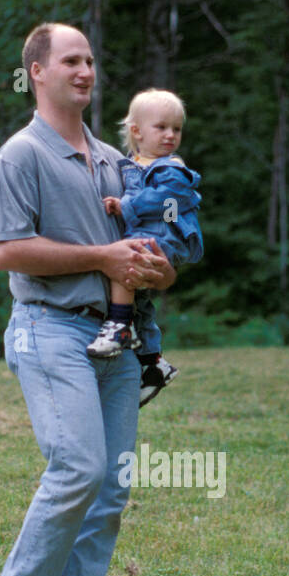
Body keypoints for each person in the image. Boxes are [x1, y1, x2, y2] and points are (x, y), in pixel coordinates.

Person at [0, 22, 176, 576]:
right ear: (37, 71)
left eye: (91, 59)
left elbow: (149, 249)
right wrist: (101, 255)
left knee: (110, 488)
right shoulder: (21, 156)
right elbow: (5, 250)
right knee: (79, 466)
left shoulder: (117, 161)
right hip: (48, 326)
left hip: (114, 336)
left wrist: (160, 270)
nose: (85, 70)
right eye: (71, 60)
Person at [85, 89, 203, 408]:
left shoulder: (170, 167)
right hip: (148, 231)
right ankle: (152, 362)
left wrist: (125, 206)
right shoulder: (133, 163)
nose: (170, 135)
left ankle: (120, 327)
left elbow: (167, 201)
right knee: (141, 298)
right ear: (136, 131)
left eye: (176, 129)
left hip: (166, 233)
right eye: (161, 127)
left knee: (125, 265)